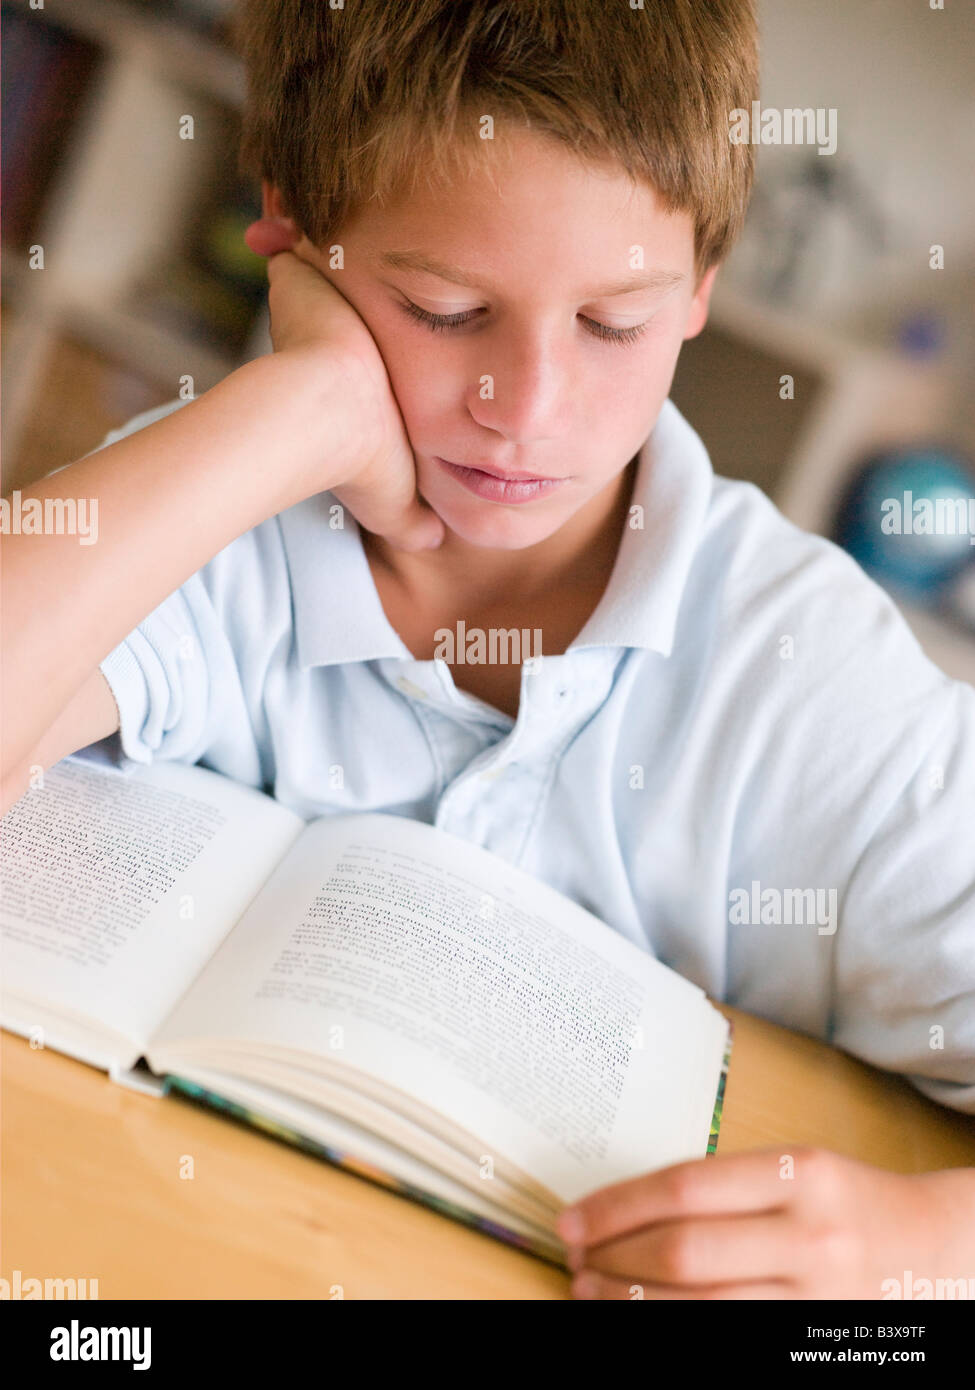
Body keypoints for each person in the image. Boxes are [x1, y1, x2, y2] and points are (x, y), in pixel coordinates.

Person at [4, 0, 974, 1299]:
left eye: (614, 323)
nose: (525, 410)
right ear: (292, 238)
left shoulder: (812, 689)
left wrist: (919, 1246)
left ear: (700, 287)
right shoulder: (212, 521)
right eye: (444, 308)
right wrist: (300, 412)